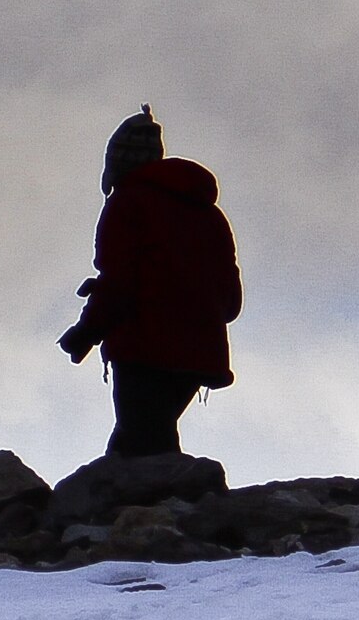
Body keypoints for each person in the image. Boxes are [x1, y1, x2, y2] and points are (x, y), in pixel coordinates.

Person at [57, 106, 241, 457]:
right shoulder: (210, 215)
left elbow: (119, 285)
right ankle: (175, 505)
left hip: (143, 351)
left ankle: (172, 507)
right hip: (199, 356)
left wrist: (84, 334)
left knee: (140, 452)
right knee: (148, 443)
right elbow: (230, 304)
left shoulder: (127, 205)